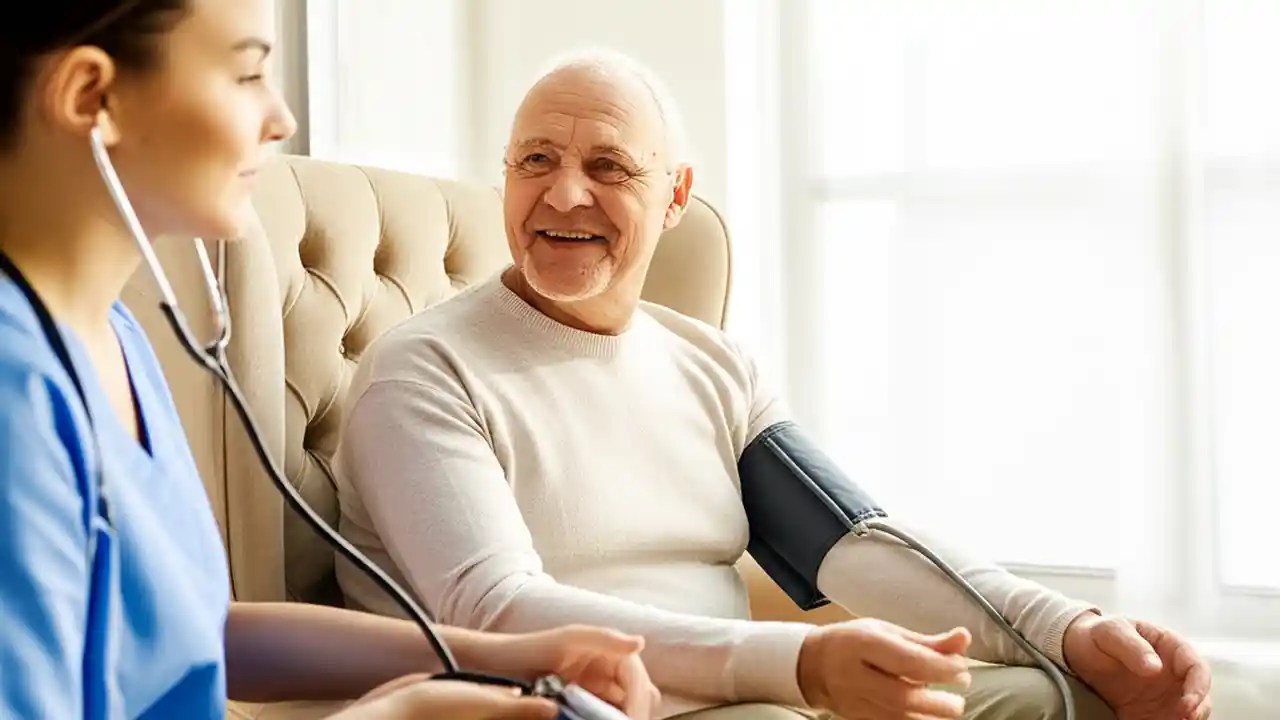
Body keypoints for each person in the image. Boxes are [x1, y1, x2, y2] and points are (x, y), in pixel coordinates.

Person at [332, 50, 1214, 720]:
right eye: (534, 161)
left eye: (608, 167)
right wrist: (798, 664)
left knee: (1084, 695)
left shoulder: (714, 365)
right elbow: (496, 609)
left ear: (675, 196)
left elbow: (851, 544)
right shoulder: (424, 370)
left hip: (758, 693)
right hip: (580, 705)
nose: (564, 195)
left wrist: (1069, 630)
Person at [0, 3, 661, 719]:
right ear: (91, 98)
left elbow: (198, 637)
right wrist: (394, 716)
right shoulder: (14, 389)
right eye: (248, 73)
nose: (280, 118)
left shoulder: (114, 334)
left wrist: (499, 656)